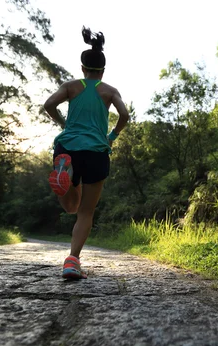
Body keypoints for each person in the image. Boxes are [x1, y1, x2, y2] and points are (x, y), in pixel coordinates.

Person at [44, 27, 129, 280]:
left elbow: (49, 105)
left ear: (83, 69)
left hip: (67, 146)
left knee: (70, 205)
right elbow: (124, 115)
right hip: (95, 150)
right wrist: (111, 136)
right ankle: (72, 261)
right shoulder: (109, 90)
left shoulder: (71, 86)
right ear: (102, 71)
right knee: (84, 212)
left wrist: (63, 125)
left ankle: (65, 174)